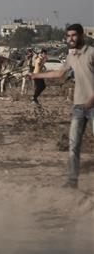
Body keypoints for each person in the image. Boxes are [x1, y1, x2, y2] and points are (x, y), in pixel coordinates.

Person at [31, 24, 94, 189]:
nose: (71, 38)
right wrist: (36, 74)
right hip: (79, 106)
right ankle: (72, 181)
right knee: (74, 146)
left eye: (74, 35)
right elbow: (59, 73)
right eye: (68, 36)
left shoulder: (92, 52)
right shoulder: (71, 55)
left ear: (81, 36)